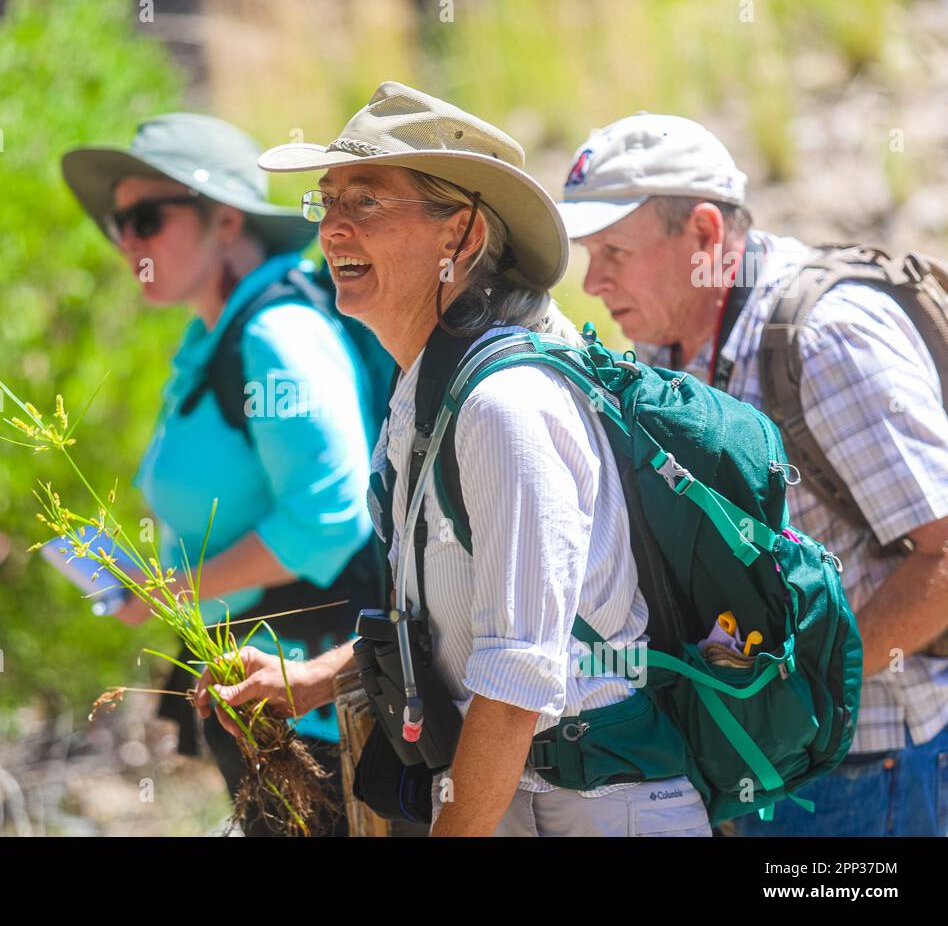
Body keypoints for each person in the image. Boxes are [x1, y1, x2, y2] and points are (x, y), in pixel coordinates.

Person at [193, 82, 715, 837]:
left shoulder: (505, 408)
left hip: (593, 810)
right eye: (326, 203)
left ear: (461, 238)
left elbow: (512, 689)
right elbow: (449, 627)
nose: (331, 230)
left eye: (364, 202)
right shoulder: (426, 389)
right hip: (522, 803)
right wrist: (311, 681)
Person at [556, 112, 948, 836]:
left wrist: (804, 697)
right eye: (587, 252)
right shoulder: (665, 345)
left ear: (705, 236)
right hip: (764, 765)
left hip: (869, 769)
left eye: (613, 250)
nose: (591, 279)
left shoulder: (827, 339)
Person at [61, 112, 385, 836]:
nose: (128, 243)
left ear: (228, 221)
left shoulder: (275, 335)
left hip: (313, 709)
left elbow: (329, 519)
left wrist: (170, 592)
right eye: (118, 225)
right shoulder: (214, 336)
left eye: (147, 218)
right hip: (263, 696)